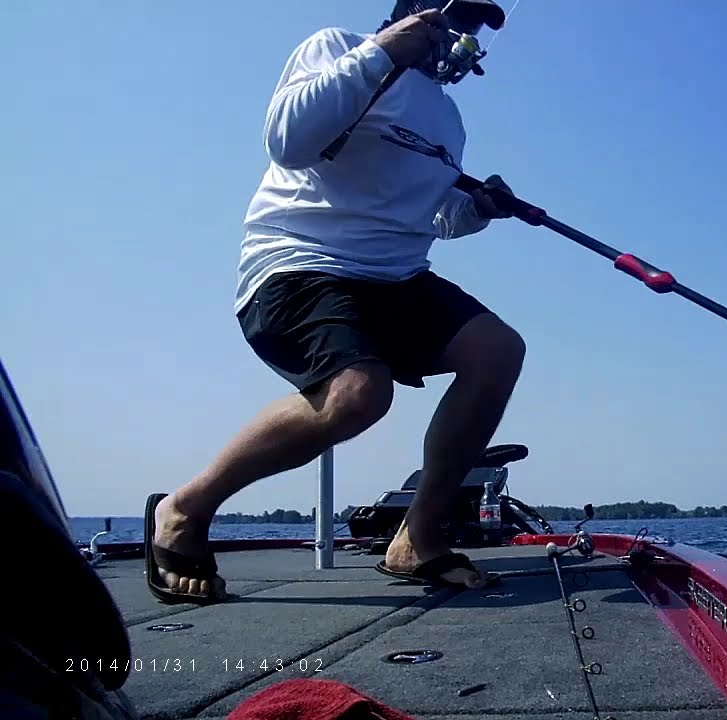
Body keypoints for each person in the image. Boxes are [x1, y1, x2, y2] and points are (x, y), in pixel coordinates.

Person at [144, 0, 523, 604]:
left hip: (396, 278)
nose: (462, 43)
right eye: (456, 24)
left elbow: (435, 215)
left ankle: (416, 539)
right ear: (418, 15)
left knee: (498, 351)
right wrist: (379, 56)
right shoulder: (336, 48)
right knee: (359, 394)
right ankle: (183, 510)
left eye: (471, 35)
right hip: (299, 265)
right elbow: (287, 141)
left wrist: (478, 207)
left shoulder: (448, 118)